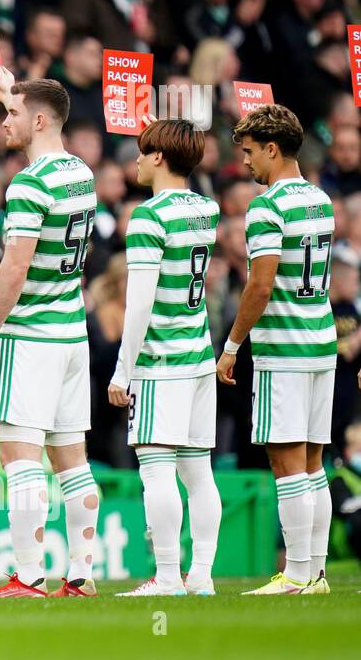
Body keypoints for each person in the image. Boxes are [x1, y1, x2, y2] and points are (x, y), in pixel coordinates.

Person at [0, 66, 100, 599]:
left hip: (30, 335)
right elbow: (35, 110)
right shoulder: (81, 174)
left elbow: (14, 267)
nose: (4, 122)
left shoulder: (28, 184)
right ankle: (83, 574)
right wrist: (12, 90)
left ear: (40, 120)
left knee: (20, 455)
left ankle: (28, 574)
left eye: (13, 114)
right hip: (72, 333)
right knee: (72, 458)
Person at [217, 104, 336, 595]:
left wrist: (231, 345)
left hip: (283, 347)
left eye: (249, 152)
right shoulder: (322, 200)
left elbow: (260, 286)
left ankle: (298, 574)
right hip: (321, 342)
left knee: (287, 464)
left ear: (272, 149)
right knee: (313, 464)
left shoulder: (267, 206)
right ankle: (318, 573)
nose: (245, 163)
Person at [107, 119, 223, 597]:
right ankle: (202, 577)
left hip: (160, 361)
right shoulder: (207, 210)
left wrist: (122, 369)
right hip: (199, 355)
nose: (134, 159)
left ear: (158, 157)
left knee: (156, 469)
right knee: (199, 473)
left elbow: (138, 304)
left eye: (141, 151)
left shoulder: (150, 217)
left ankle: (169, 577)